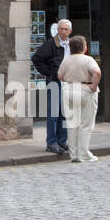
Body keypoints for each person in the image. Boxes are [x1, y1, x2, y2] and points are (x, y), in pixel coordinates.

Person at [58, 35, 101, 163]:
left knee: (72, 124)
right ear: (84, 47)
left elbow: (60, 76)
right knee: (85, 124)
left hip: (69, 90)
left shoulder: (66, 60)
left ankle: (74, 154)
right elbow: (97, 73)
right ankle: (83, 154)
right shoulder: (88, 60)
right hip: (85, 89)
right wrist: (93, 85)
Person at [32, 18, 72, 154]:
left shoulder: (71, 45)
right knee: (53, 113)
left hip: (67, 83)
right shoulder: (51, 44)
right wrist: (49, 73)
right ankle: (51, 142)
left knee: (64, 113)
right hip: (55, 82)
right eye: (61, 28)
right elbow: (36, 58)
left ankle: (62, 140)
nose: (63, 31)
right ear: (58, 30)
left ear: (70, 31)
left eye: (66, 29)